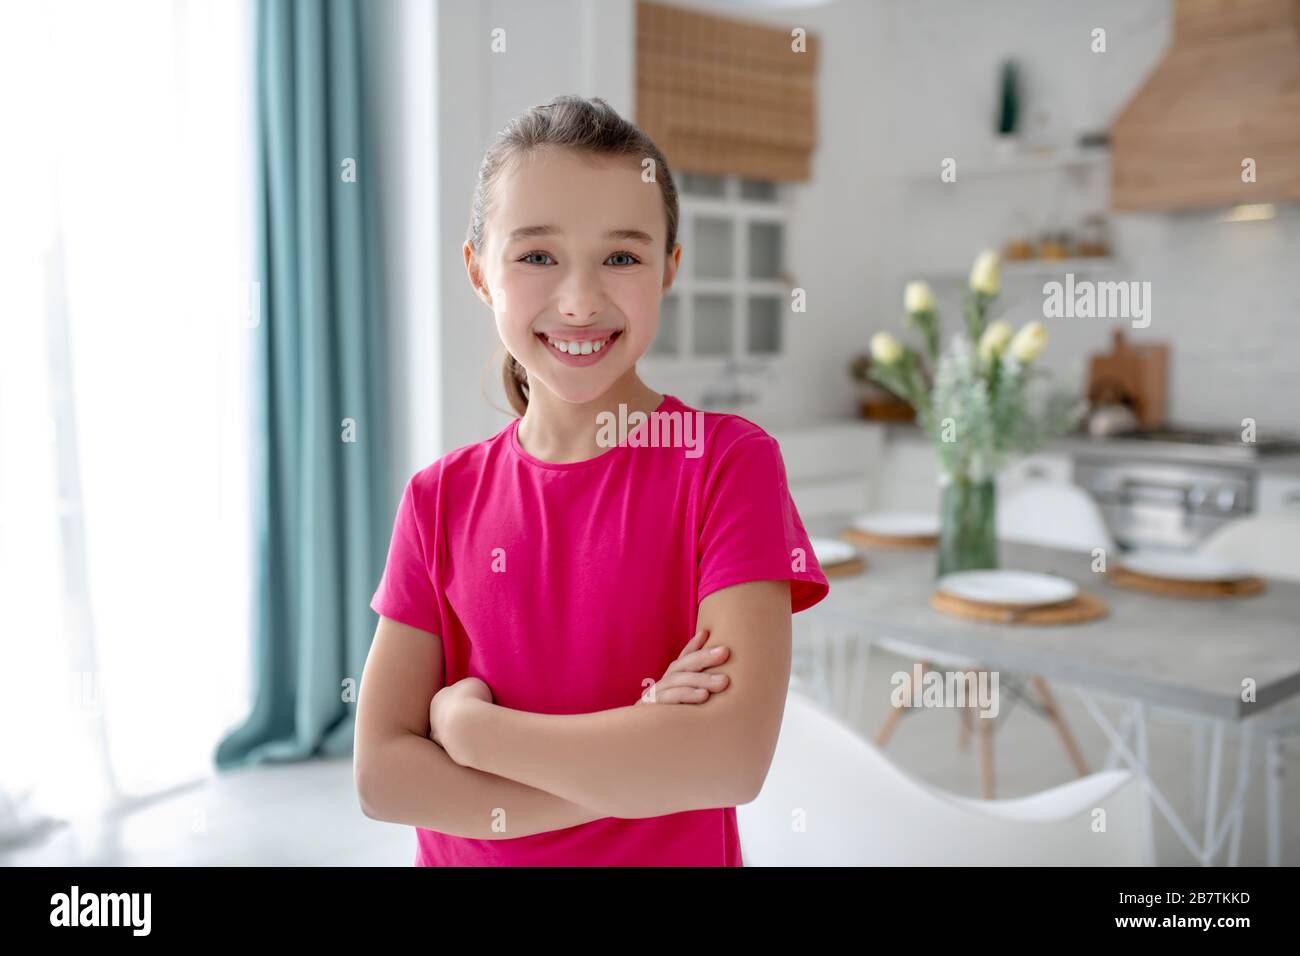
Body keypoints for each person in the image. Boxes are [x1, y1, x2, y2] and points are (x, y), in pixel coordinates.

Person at [354, 95, 829, 866]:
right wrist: (645, 766)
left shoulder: (728, 464)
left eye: (622, 258)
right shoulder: (438, 498)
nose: (579, 302)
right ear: (479, 272)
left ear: (668, 268)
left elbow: (730, 760)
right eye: (537, 256)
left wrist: (474, 733)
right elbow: (383, 778)